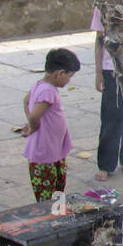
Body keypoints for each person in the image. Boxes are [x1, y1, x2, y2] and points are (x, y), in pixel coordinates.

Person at [22, 48, 80, 203]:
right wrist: (33, 126)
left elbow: (26, 101)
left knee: (58, 188)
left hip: (53, 148)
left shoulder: (39, 85)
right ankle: (50, 218)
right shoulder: (48, 92)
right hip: (45, 152)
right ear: (59, 73)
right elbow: (35, 115)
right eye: (69, 76)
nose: (69, 81)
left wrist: (31, 125)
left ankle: (57, 215)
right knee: (48, 195)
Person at [91, 4, 123, 181]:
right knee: (110, 118)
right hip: (110, 69)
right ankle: (106, 164)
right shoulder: (102, 5)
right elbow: (99, 39)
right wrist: (98, 72)